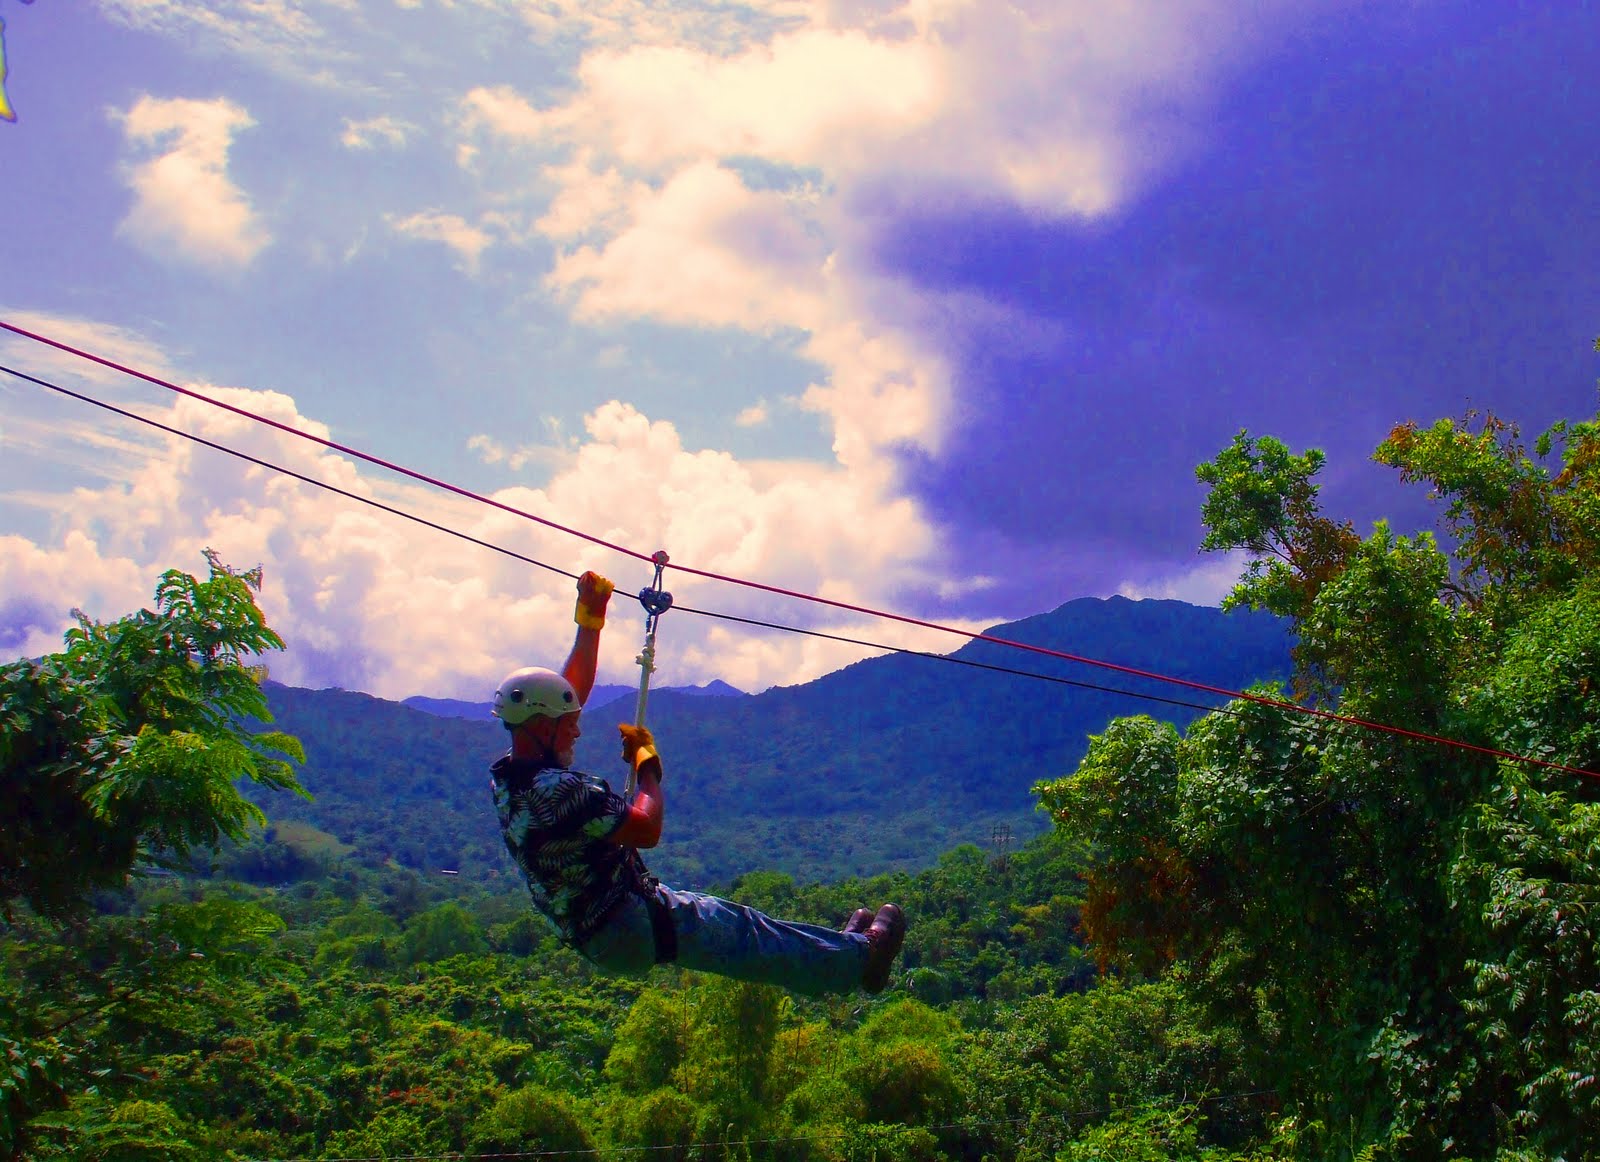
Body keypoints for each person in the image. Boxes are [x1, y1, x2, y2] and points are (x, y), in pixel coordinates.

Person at [489, 570, 906, 996]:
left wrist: (589, 623)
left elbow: (565, 696)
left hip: (601, 929)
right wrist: (648, 767)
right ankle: (861, 959)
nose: (577, 731)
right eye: (568, 726)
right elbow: (646, 828)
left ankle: (843, 953)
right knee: (745, 935)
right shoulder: (561, 792)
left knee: (744, 929)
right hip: (625, 923)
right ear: (542, 726)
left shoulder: (510, 777)